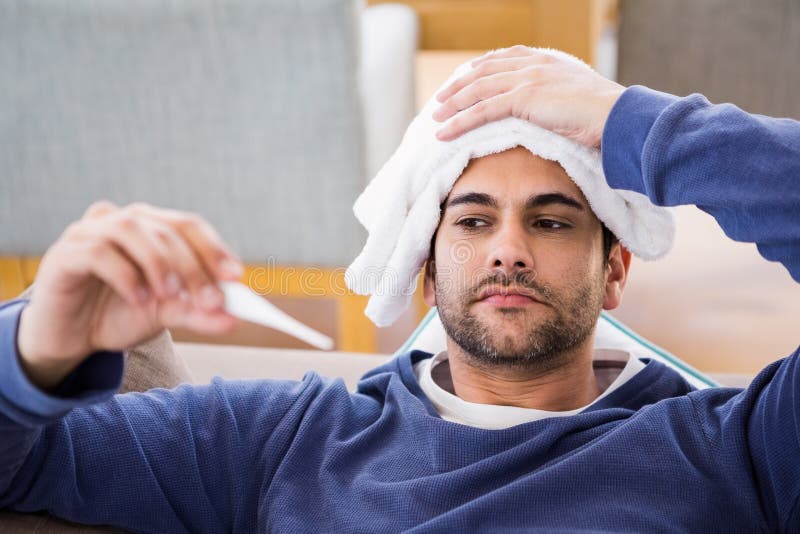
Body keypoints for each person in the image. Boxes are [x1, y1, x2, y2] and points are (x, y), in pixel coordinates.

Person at [1, 45, 798, 531]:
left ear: (614, 269)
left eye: (553, 223)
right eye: (474, 222)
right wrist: (39, 346)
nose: (510, 251)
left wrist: (634, 123)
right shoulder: (284, 441)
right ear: (425, 268)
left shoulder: (738, 449)